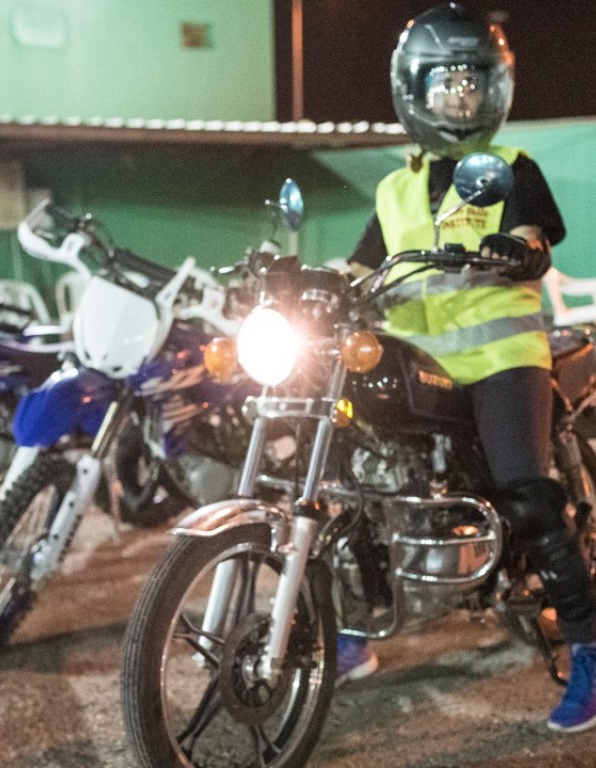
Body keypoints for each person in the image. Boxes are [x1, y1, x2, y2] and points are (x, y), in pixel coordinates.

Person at [336, 3, 596, 733]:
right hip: (420, 360)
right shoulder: (394, 188)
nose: (458, 98)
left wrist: (523, 249)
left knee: (527, 493)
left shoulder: (512, 169)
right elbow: (359, 268)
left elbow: (532, 234)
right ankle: (359, 626)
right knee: (352, 479)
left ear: (494, 91)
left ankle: (590, 651)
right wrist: (314, 282)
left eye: (470, 84)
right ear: (414, 91)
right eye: (445, 84)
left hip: (498, 357)